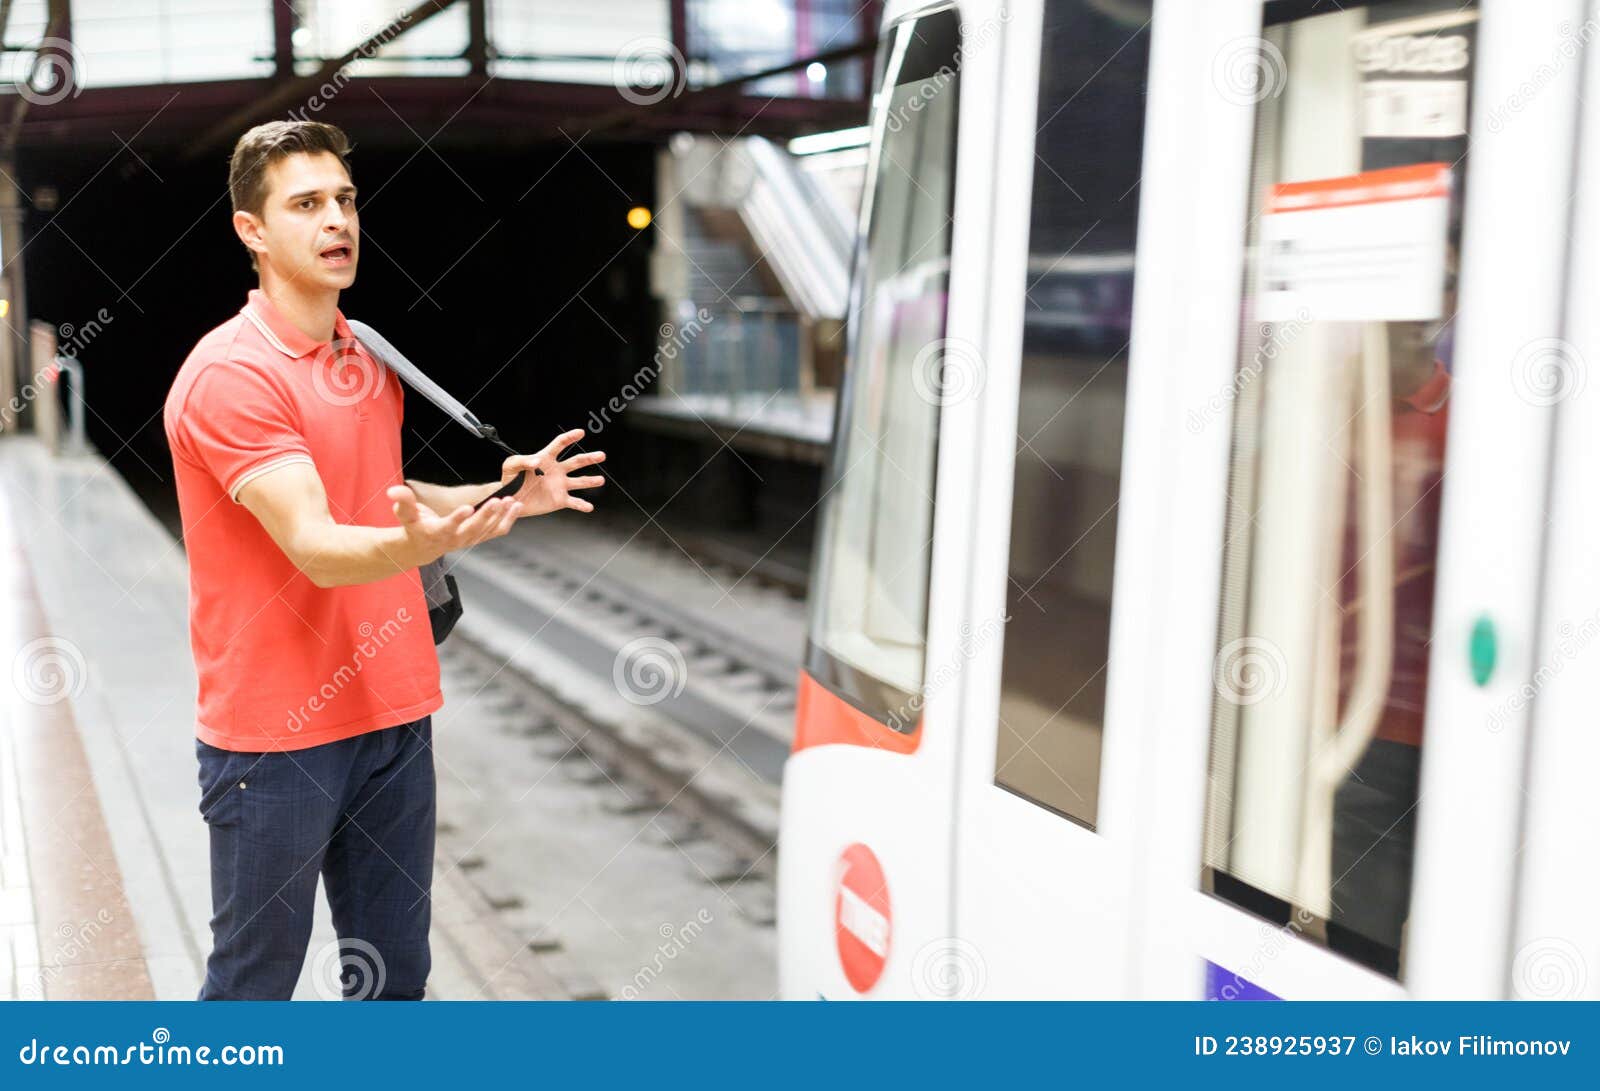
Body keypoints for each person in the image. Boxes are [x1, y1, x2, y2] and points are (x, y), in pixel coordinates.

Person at [161, 120, 606, 1000]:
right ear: (252, 231)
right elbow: (320, 547)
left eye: (345, 201)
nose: (337, 221)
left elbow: (378, 491)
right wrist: (416, 545)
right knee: (255, 986)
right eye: (306, 204)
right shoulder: (231, 376)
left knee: (396, 977)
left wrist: (500, 494)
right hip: (277, 736)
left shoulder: (363, 353)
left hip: (393, 711)